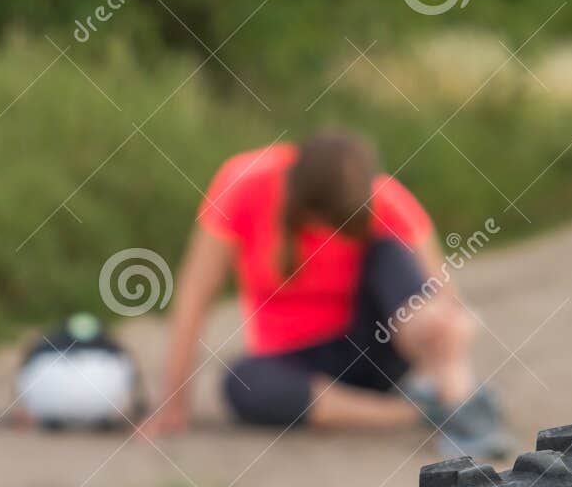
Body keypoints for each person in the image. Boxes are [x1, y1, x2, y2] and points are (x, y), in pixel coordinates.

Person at [139, 130, 508, 456]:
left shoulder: (383, 196)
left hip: (375, 348)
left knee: (392, 256)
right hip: (294, 363)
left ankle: (459, 399)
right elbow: (195, 294)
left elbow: (445, 298)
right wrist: (173, 401)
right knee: (242, 382)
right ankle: (425, 413)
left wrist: (450, 327)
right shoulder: (243, 184)